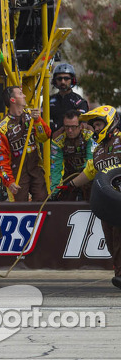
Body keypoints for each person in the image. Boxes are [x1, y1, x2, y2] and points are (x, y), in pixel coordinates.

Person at [60, 106, 121, 290]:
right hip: (107, 203)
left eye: (99, 124)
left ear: (110, 122)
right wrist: (69, 185)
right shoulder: (98, 150)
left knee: (119, 238)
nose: (96, 128)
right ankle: (118, 273)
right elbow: (89, 172)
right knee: (110, 240)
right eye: (94, 125)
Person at [0, 86, 51, 202]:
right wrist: (9, 181)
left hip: (35, 168)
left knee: (42, 200)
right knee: (19, 205)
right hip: (17, 173)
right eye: (20, 93)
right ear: (13, 100)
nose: (24, 95)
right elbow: (1, 160)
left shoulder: (32, 115)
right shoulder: (1, 129)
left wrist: (38, 120)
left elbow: (45, 136)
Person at [50, 110, 94, 201]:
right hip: (69, 174)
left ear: (81, 126)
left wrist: (83, 175)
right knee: (64, 196)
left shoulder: (90, 133)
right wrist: (55, 191)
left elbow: (91, 159)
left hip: (88, 172)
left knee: (90, 193)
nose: (69, 131)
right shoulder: (57, 139)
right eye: (67, 127)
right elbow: (56, 167)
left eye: (73, 127)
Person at [49, 62, 89, 132]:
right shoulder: (48, 101)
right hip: (50, 140)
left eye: (66, 78)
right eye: (59, 79)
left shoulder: (80, 102)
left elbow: (83, 126)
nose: (63, 82)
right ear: (55, 81)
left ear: (72, 80)